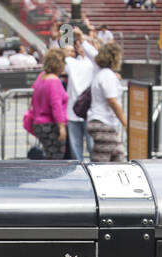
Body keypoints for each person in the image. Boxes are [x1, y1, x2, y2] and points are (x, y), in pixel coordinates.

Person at [87, 42, 126, 162]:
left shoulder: (102, 74)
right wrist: (125, 123)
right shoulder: (107, 76)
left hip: (101, 122)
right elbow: (112, 101)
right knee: (101, 162)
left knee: (118, 156)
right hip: (103, 122)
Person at [64, 29, 98, 160]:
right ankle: (78, 172)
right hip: (73, 110)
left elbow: (95, 55)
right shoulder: (71, 62)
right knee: (75, 148)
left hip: (88, 111)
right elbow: (58, 54)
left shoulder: (93, 63)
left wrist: (83, 41)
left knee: (91, 146)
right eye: (77, 45)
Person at [29, 48, 68, 159]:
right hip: (51, 125)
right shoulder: (54, 81)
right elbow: (56, 106)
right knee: (56, 158)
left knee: (48, 156)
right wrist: (61, 127)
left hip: (39, 123)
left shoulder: (41, 77)